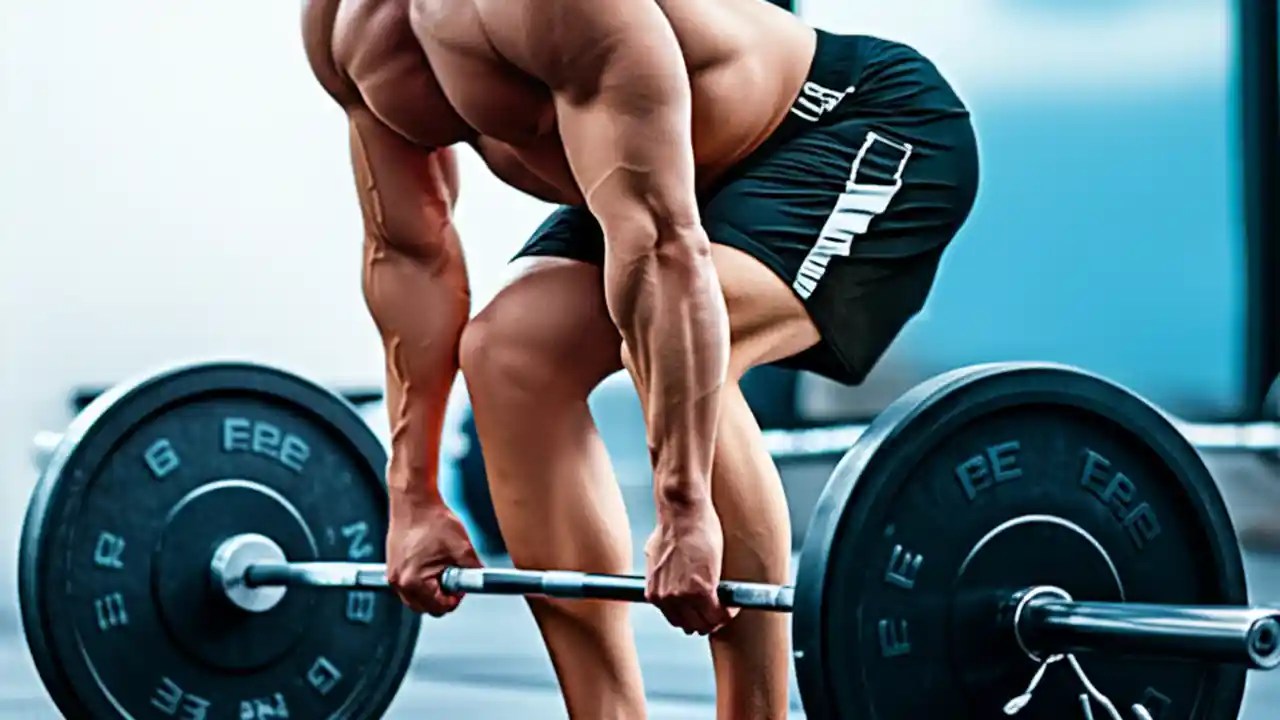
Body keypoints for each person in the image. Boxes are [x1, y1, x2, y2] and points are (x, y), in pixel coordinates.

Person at [302, 0, 978, 715]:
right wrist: (412, 500)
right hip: (664, 180)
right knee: (506, 353)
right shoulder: (344, 26)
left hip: (845, 128)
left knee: (674, 340)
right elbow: (409, 254)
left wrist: (685, 511)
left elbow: (662, 255)